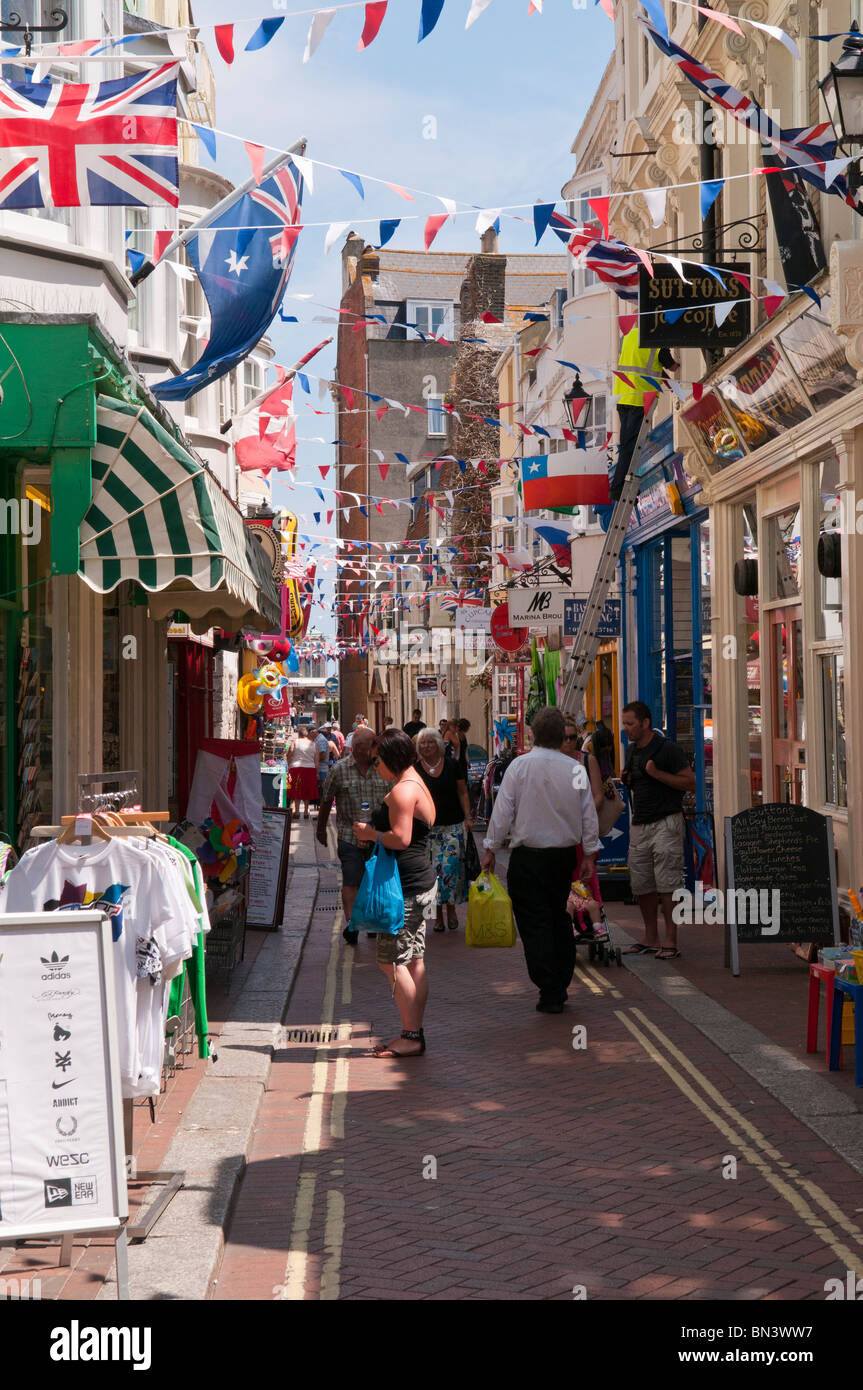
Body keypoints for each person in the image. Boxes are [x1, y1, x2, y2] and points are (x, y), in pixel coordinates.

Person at [481, 707, 601, 1014]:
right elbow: (588, 815)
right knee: (559, 916)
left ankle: (549, 986)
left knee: (534, 923)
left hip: (528, 858)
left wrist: (491, 848)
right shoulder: (575, 769)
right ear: (562, 737)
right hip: (562, 858)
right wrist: (589, 854)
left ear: (533, 734)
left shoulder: (520, 767)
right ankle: (560, 981)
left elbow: (502, 811)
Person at [354, 728, 437, 1057]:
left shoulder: (403, 792)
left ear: (390, 758)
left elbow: (400, 839)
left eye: (377, 761)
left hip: (405, 888)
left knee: (391, 962)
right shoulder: (418, 782)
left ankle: (411, 1036)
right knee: (414, 960)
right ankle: (414, 1030)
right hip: (421, 883)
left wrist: (370, 833)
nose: (375, 767)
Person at [620, 700, 695, 961]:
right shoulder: (631, 751)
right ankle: (650, 937)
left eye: (630, 724)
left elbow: (690, 783)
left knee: (668, 882)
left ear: (645, 723)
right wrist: (627, 778)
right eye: (624, 724)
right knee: (642, 884)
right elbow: (637, 782)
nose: (626, 729)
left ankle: (671, 939)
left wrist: (657, 773)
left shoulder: (667, 749)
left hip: (666, 821)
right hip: (640, 824)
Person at [317, 726, 388, 945]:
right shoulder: (339, 770)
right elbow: (327, 800)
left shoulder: (383, 768)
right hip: (349, 834)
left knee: (376, 880)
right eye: (372, 745)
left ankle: (373, 921)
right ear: (357, 748)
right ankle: (353, 924)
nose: (376, 748)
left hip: (378, 836)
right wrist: (321, 829)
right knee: (351, 879)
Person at [416, 728, 472, 932]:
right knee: (432, 874)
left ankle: (451, 909)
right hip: (427, 830)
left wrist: (468, 816)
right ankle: (438, 915)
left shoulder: (452, 765)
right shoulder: (415, 769)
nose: (426, 746)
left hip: (452, 826)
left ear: (438, 744)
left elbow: (463, 792)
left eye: (431, 742)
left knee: (451, 871)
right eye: (423, 743)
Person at [562, 717, 606, 938]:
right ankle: (569, 921)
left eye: (573, 737)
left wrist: (582, 815)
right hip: (562, 833)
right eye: (565, 737)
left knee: (585, 877)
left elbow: (598, 796)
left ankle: (591, 923)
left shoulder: (587, 760)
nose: (569, 742)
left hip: (583, 832)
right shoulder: (554, 763)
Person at [287, 724, 318, 820]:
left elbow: (290, 752)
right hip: (310, 769)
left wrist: (289, 763)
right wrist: (316, 773)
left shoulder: (295, 742)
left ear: (298, 734)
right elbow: (317, 761)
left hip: (296, 768)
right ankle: (305, 811)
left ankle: (296, 811)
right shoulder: (314, 744)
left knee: (297, 790)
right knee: (307, 790)